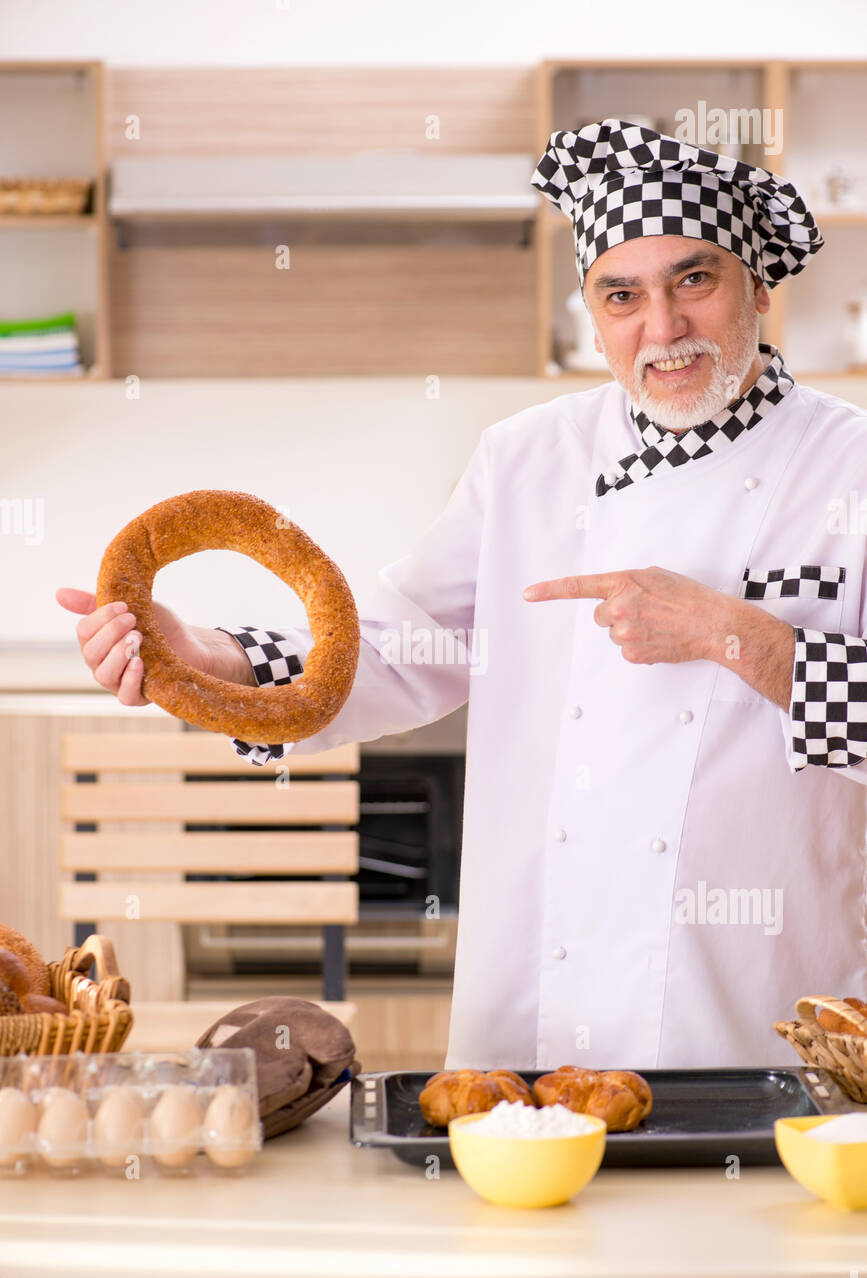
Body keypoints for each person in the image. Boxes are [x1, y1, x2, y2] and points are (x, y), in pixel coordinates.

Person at [59, 119, 867, 1071]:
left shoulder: (846, 462)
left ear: (758, 285)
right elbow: (406, 648)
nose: (661, 328)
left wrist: (743, 639)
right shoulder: (525, 459)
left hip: (757, 995)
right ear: (590, 311)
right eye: (622, 295)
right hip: (540, 993)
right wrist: (214, 659)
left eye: (694, 280)